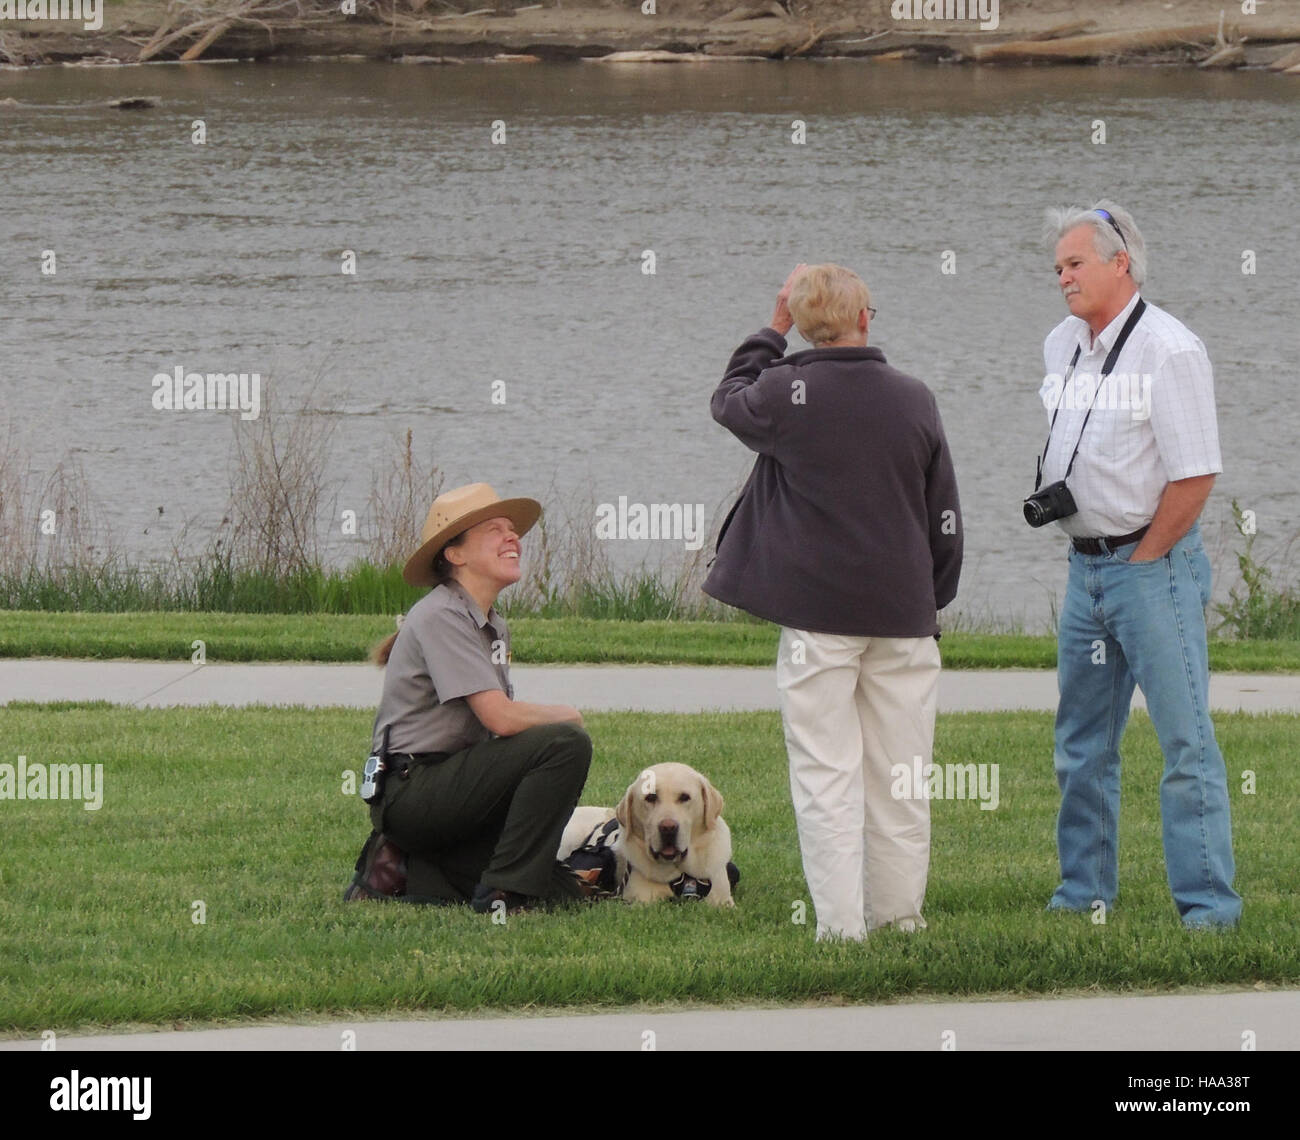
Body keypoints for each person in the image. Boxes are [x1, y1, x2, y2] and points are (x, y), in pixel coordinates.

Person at [703, 263, 963, 941]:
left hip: (819, 620)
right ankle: (901, 919)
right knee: (902, 779)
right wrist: (934, 598)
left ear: (803, 323)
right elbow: (944, 514)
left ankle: (841, 929)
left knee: (826, 776)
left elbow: (727, 397)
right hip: (905, 616)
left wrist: (773, 325)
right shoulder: (915, 398)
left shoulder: (784, 393)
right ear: (866, 318)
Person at [1035, 201, 1241, 928]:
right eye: (1057, 267)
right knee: (1082, 744)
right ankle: (1082, 895)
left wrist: (1146, 561)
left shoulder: (1168, 349)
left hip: (1150, 568)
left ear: (1120, 263)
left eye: (1075, 264)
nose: (1062, 277)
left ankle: (1209, 908)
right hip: (1083, 567)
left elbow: (1195, 476)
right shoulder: (1062, 342)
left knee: (1184, 743)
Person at [345, 482, 592, 913]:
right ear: (455, 555)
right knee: (563, 744)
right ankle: (505, 894)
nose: (512, 537)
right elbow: (501, 720)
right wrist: (569, 715)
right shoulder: (442, 614)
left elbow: (493, 740)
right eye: (495, 529)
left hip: (449, 791)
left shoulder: (489, 623)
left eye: (513, 530)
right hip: (414, 789)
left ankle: (402, 866)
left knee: (563, 893)